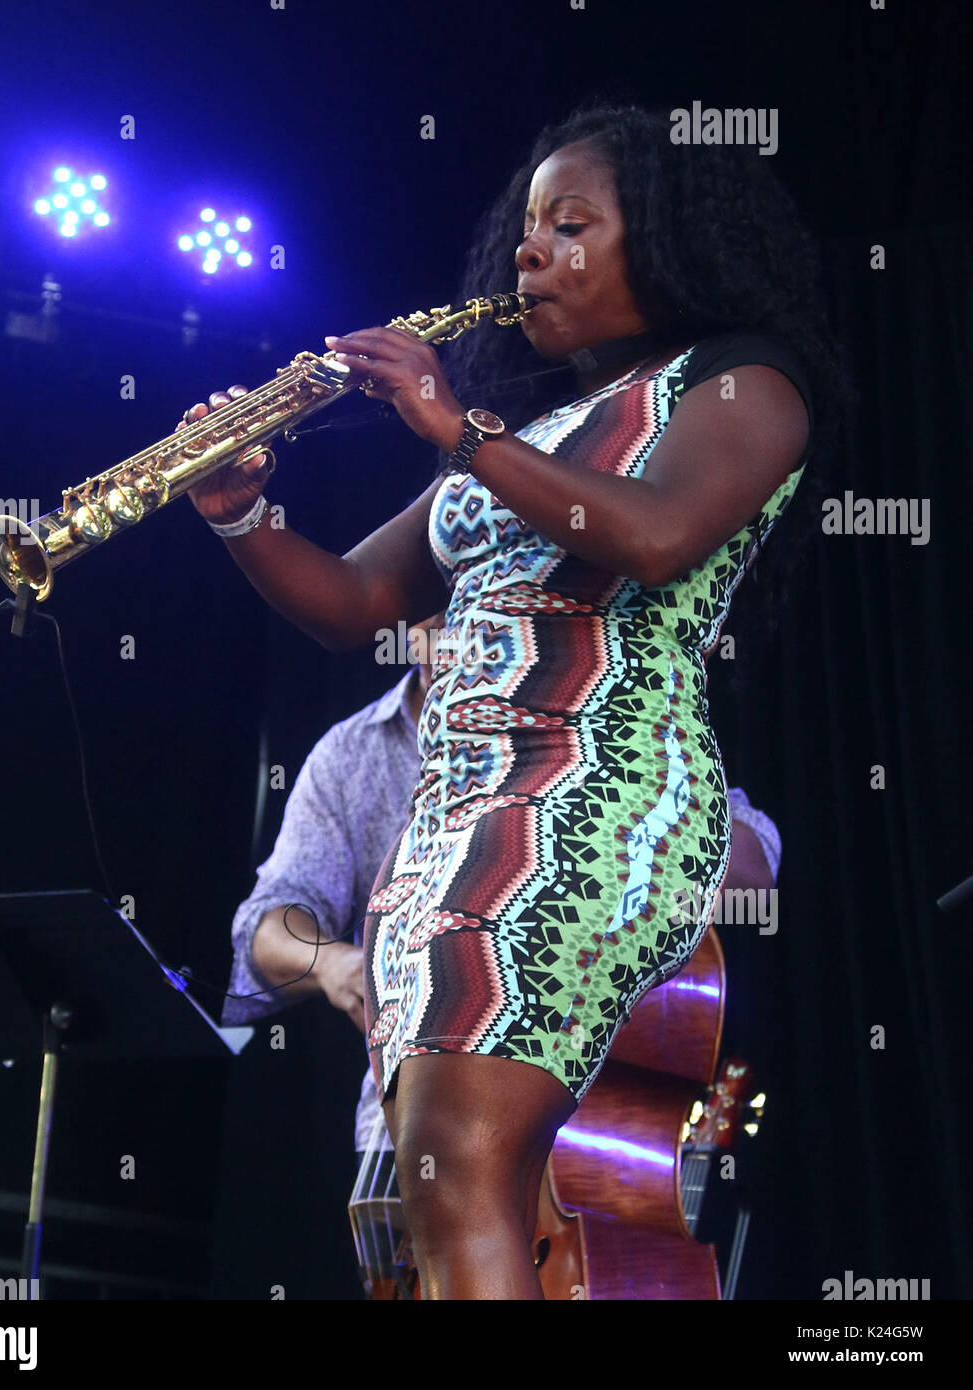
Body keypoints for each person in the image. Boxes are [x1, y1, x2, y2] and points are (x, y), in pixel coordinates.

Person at [178, 100, 840, 1298]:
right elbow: (350, 602)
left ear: (674, 241)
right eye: (528, 226)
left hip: (593, 788)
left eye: (571, 223)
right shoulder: (531, 431)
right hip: (458, 812)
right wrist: (238, 512)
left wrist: (456, 430)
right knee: (440, 1180)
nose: (530, 250)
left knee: (458, 1162)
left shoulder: (744, 385)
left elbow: (651, 538)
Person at [219, 613, 781, 1174]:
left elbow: (751, 880)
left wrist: (617, 776)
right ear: (410, 626)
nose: (472, 628)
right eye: (446, 610)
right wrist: (335, 963)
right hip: (412, 1132)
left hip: (599, 1145)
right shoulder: (351, 756)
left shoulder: (586, 724)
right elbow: (263, 932)